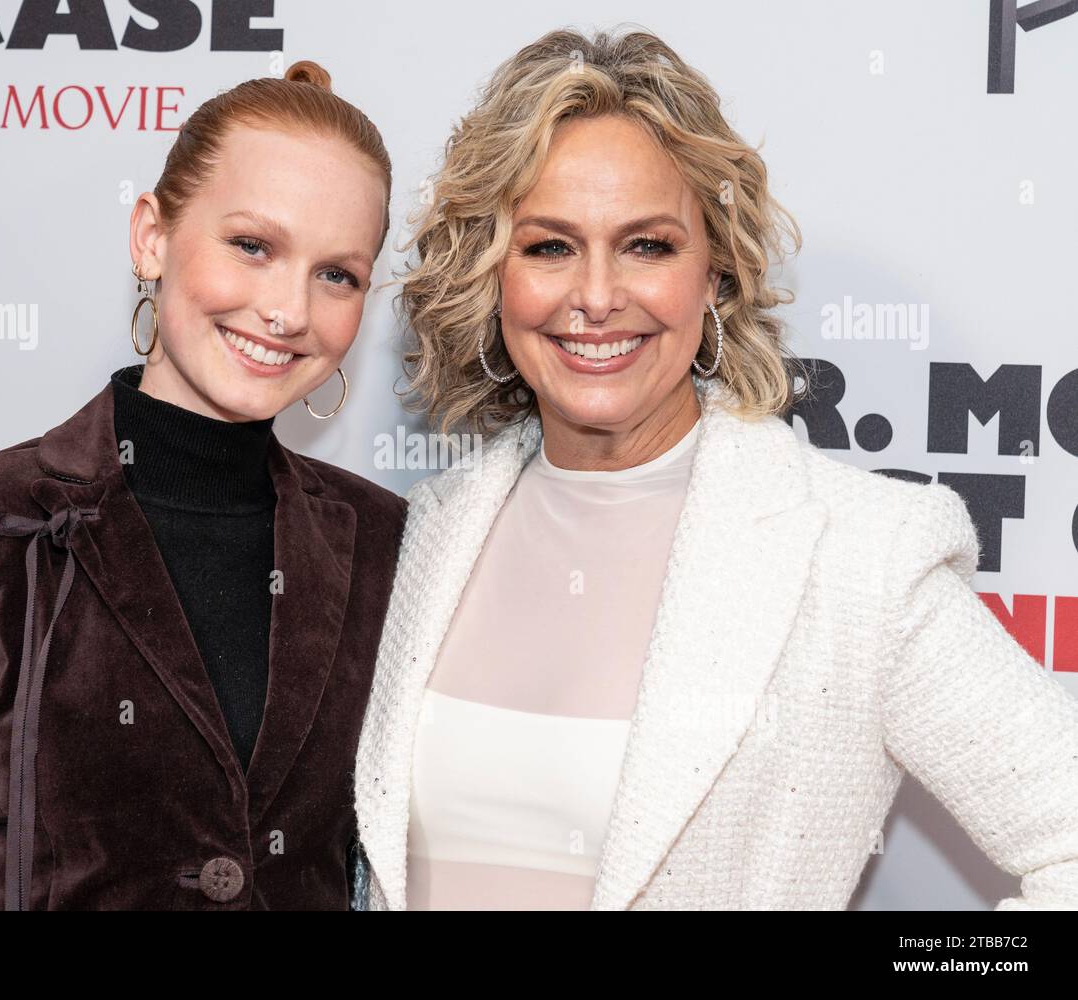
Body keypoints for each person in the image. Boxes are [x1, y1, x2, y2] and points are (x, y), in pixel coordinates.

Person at [351, 27, 1078, 910]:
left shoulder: (855, 560)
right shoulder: (426, 531)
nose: (596, 295)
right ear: (490, 276)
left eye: (648, 245)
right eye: (548, 246)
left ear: (715, 278)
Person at [0, 60, 406, 910]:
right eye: (252, 246)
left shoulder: (388, 543)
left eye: (336, 273)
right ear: (151, 237)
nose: (289, 310)